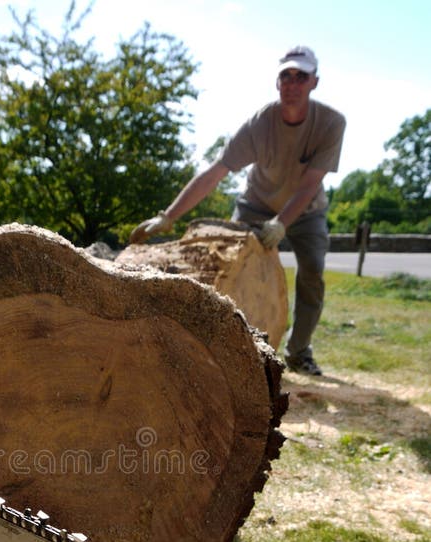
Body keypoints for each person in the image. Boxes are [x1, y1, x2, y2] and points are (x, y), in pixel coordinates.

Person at [130, 46, 346, 377]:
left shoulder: (330, 123)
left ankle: (299, 351)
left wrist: (281, 225)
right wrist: (168, 216)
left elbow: (309, 184)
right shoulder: (259, 125)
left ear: (314, 82)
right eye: (285, 76)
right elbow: (215, 173)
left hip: (305, 211)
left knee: (313, 272)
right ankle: (227, 348)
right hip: (255, 206)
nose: (292, 83)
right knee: (226, 269)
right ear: (277, 83)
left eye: (301, 76)